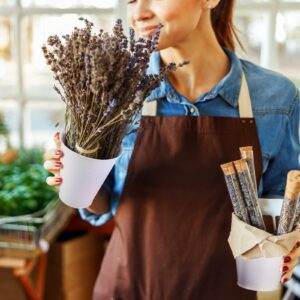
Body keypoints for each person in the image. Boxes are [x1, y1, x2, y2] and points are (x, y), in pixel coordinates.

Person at [43, 0, 300, 299]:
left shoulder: (276, 99)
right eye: (131, 0)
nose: (139, 12)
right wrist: (74, 172)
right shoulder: (113, 92)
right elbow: (100, 206)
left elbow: (279, 204)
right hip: (128, 289)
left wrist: (287, 241)